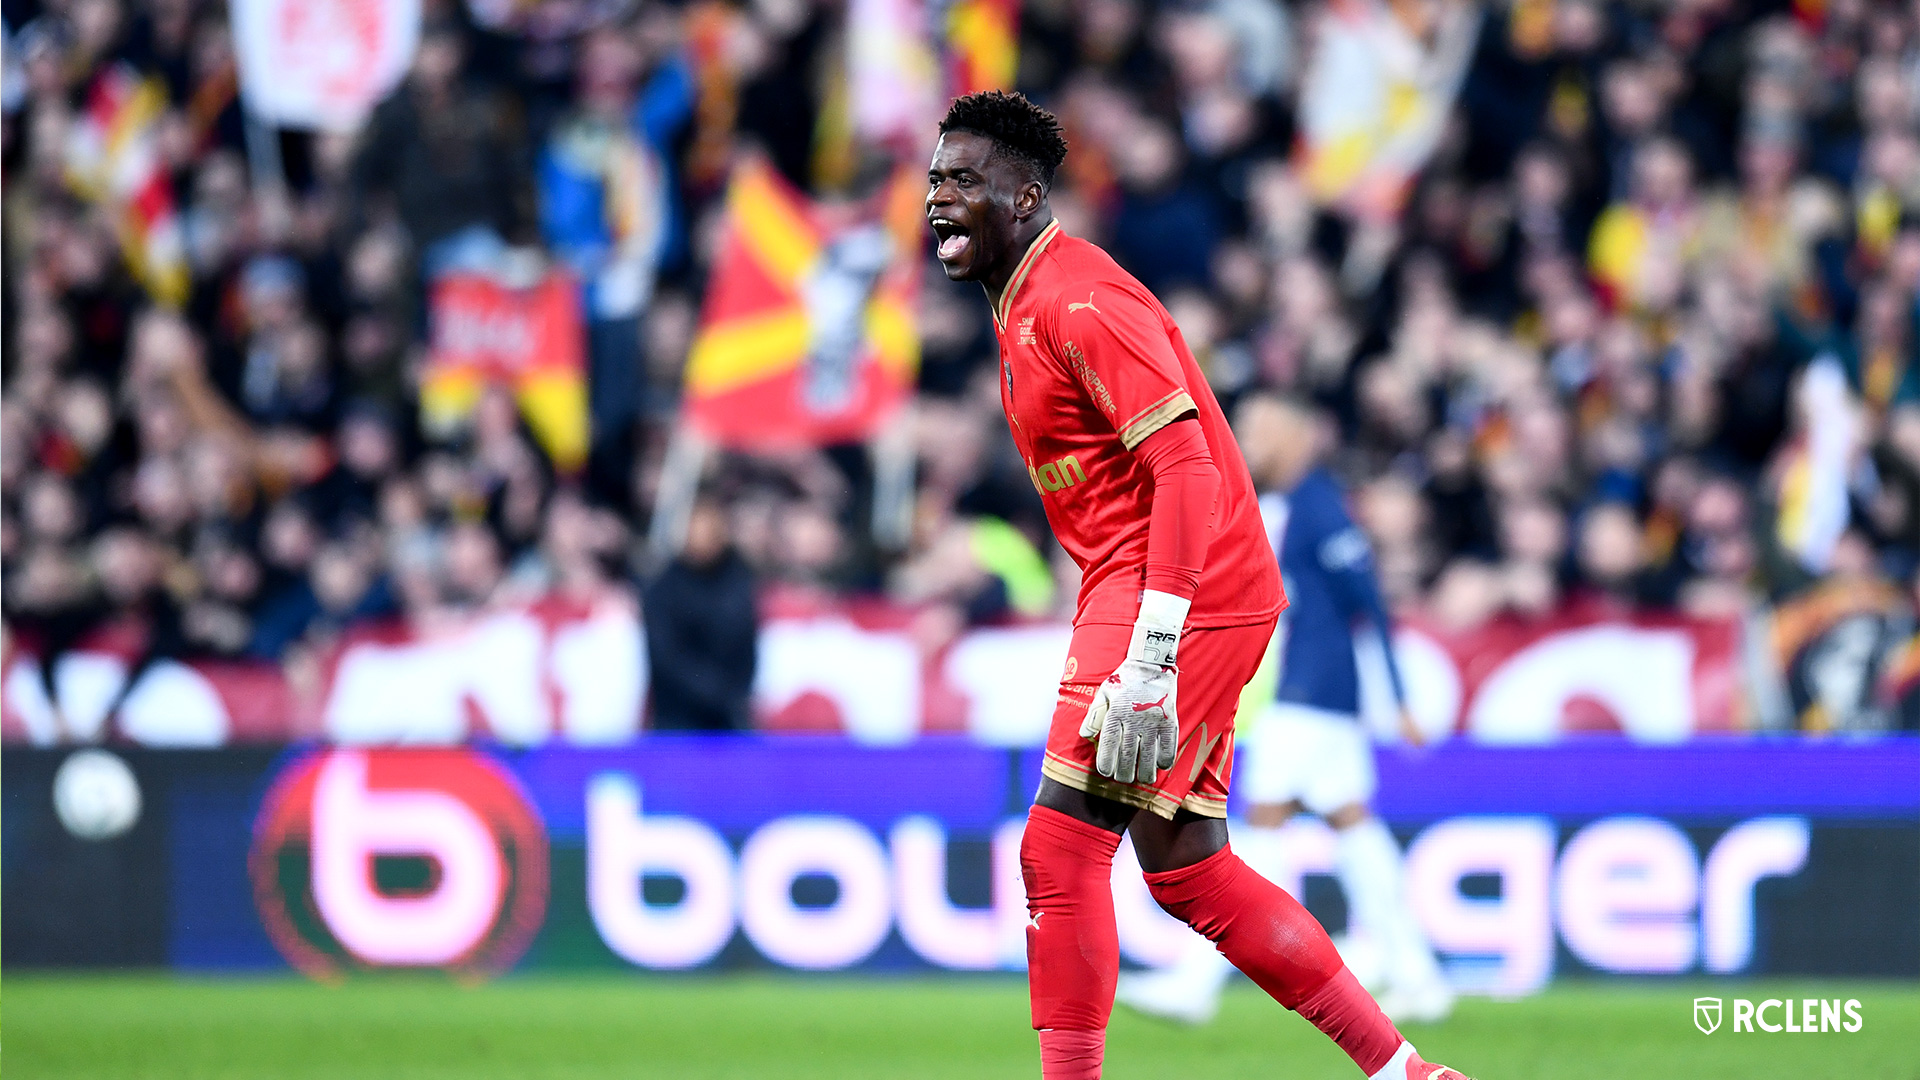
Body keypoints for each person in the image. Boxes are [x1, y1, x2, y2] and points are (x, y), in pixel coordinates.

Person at [925, 90, 1474, 1080]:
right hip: (1151, 583)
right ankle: (1406, 1073)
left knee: (1060, 850)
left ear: (1026, 193)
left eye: (963, 180)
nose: (938, 200)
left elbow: (1184, 465)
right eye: (933, 181)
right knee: (1187, 870)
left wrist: (1154, 641)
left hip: (1174, 587)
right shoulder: (1022, 310)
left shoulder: (1080, 299)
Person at [1117, 393, 1455, 1027]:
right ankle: (1421, 977)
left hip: (1310, 698)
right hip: (1319, 699)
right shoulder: (1293, 505)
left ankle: (1196, 982)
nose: (1245, 439)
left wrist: (1401, 698)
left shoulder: (1320, 506)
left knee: (1255, 828)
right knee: (1353, 827)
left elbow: (1369, 602)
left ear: (1289, 436)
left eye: (1255, 430)